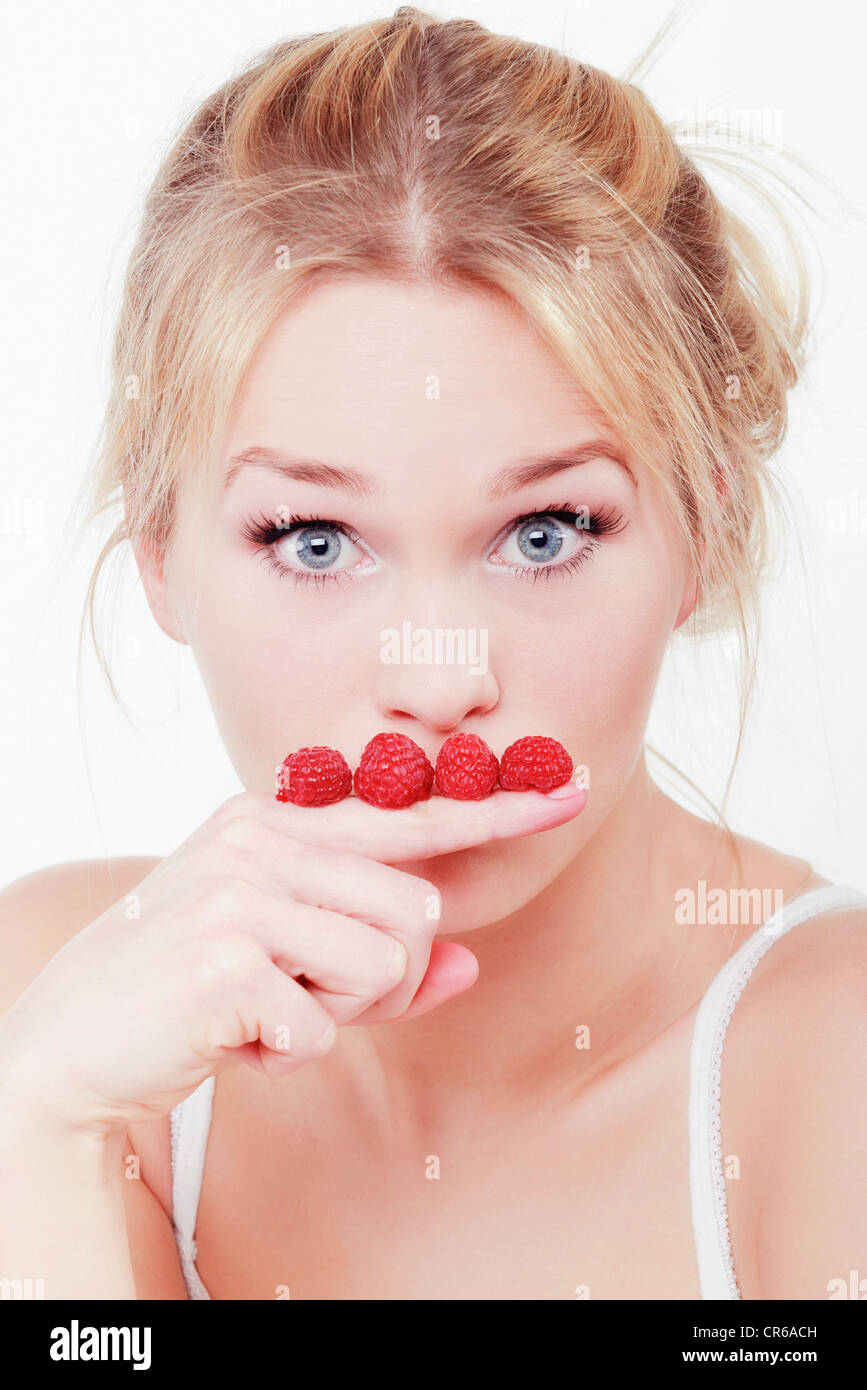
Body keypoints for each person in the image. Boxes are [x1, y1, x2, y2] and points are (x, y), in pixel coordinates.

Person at [1, 7, 864, 1301]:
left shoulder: (830, 1059)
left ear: (706, 526)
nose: (437, 669)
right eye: (314, 540)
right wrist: (42, 1135)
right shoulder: (56, 1003)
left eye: (545, 530)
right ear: (161, 553)